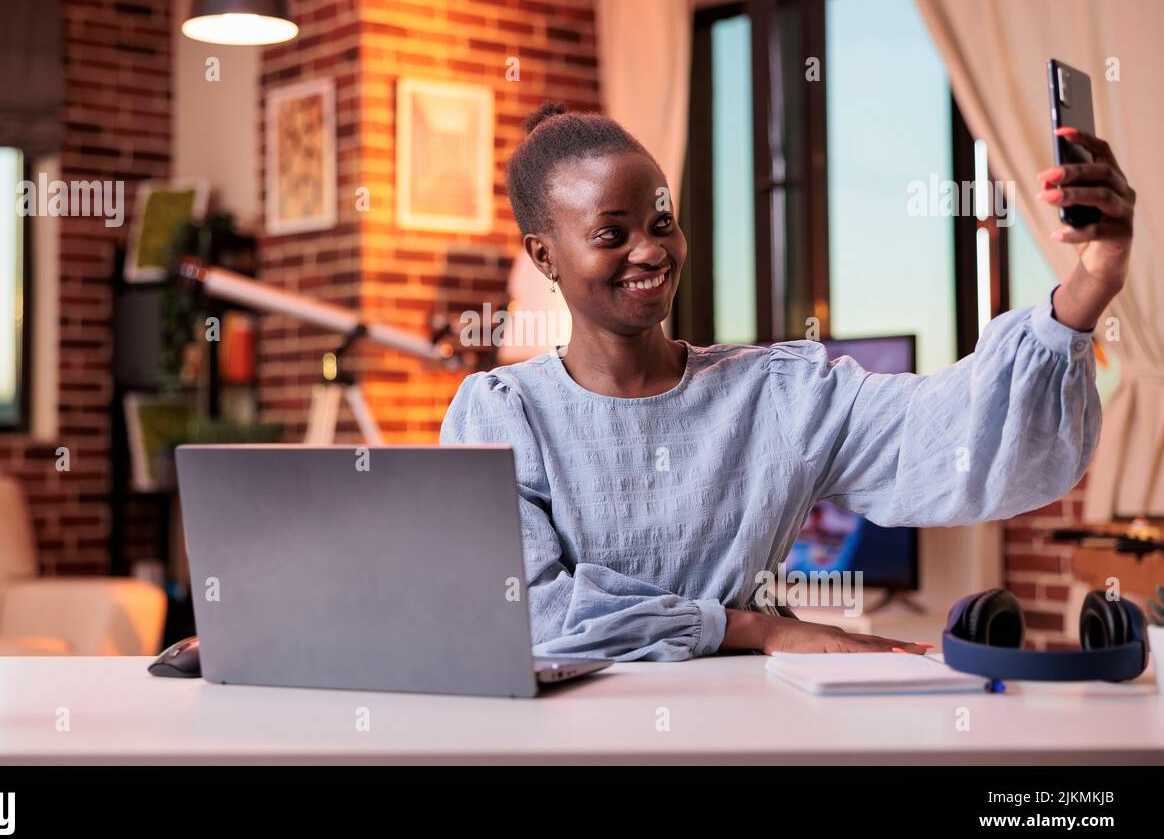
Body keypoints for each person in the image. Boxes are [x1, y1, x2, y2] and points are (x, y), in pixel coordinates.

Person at [440, 101, 1135, 661]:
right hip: (575, 743)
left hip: (751, 724)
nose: (649, 250)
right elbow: (527, 613)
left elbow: (951, 430)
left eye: (661, 223)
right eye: (610, 235)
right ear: (545, 256)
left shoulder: (775, 394)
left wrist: (1092, 281)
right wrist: (757, 629)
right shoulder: (501, 413)